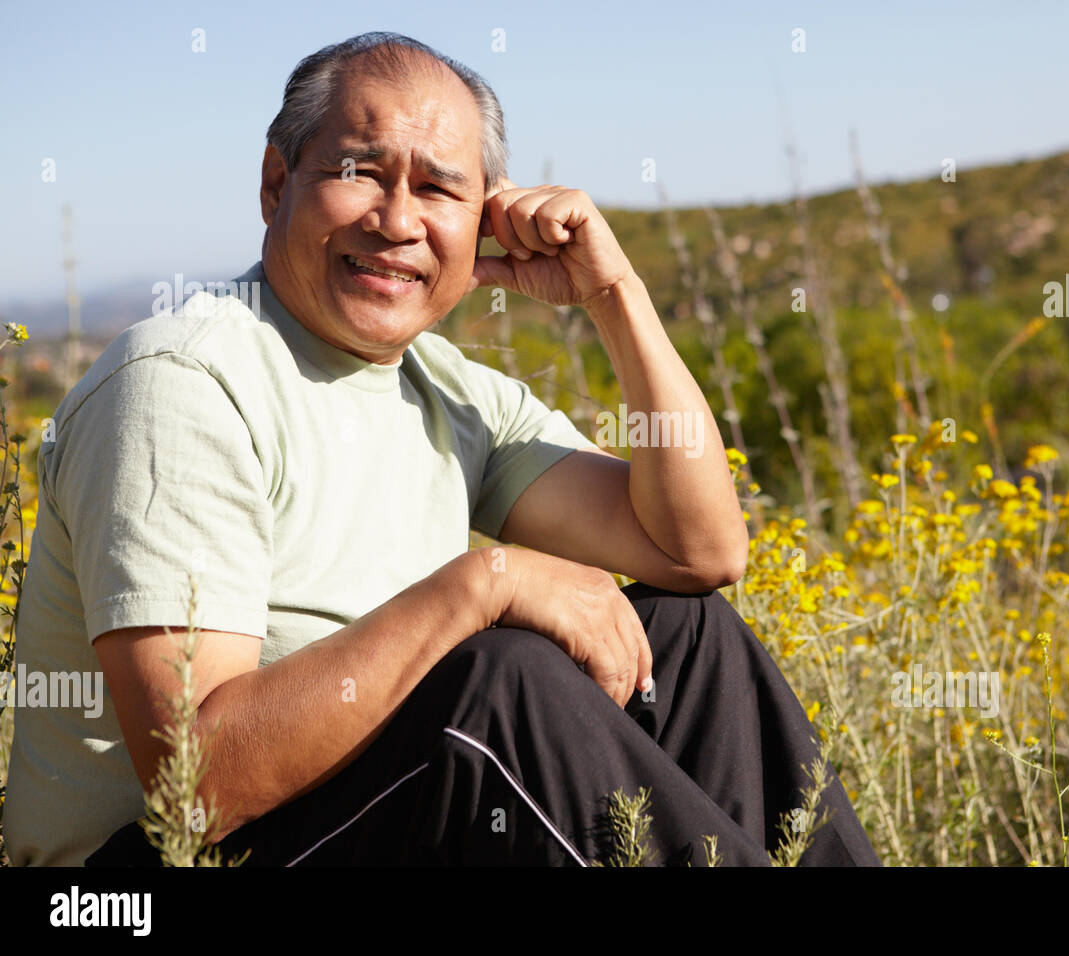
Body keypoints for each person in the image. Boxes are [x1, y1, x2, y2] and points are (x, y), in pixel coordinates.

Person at [5, 32, 881, 867]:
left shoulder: (441, 384)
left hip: (343, 818)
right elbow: (195, 788)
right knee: (501, 686)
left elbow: (702, 552)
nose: (397, 220)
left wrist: (614, 294)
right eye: (359, 172)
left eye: (438, 190)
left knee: (688, 637)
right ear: (277, 184)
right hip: (137, 881)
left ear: (484, 220)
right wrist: (486, 583)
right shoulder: (184, 381)